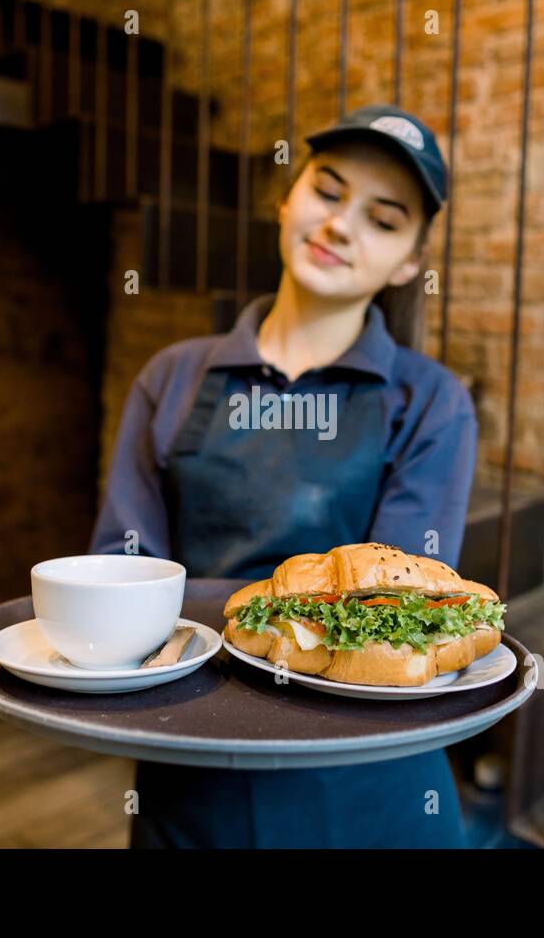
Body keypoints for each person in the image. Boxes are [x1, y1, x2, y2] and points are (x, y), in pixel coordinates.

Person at [88, 104, 479, 848]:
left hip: (368, 779)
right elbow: (122, 572)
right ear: (286, 202)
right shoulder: (171, 377)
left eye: (383, 218)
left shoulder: (429, 404)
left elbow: (393, 613)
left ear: (406, 265)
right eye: (327, 193)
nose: (340, 225)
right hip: (195, 764)